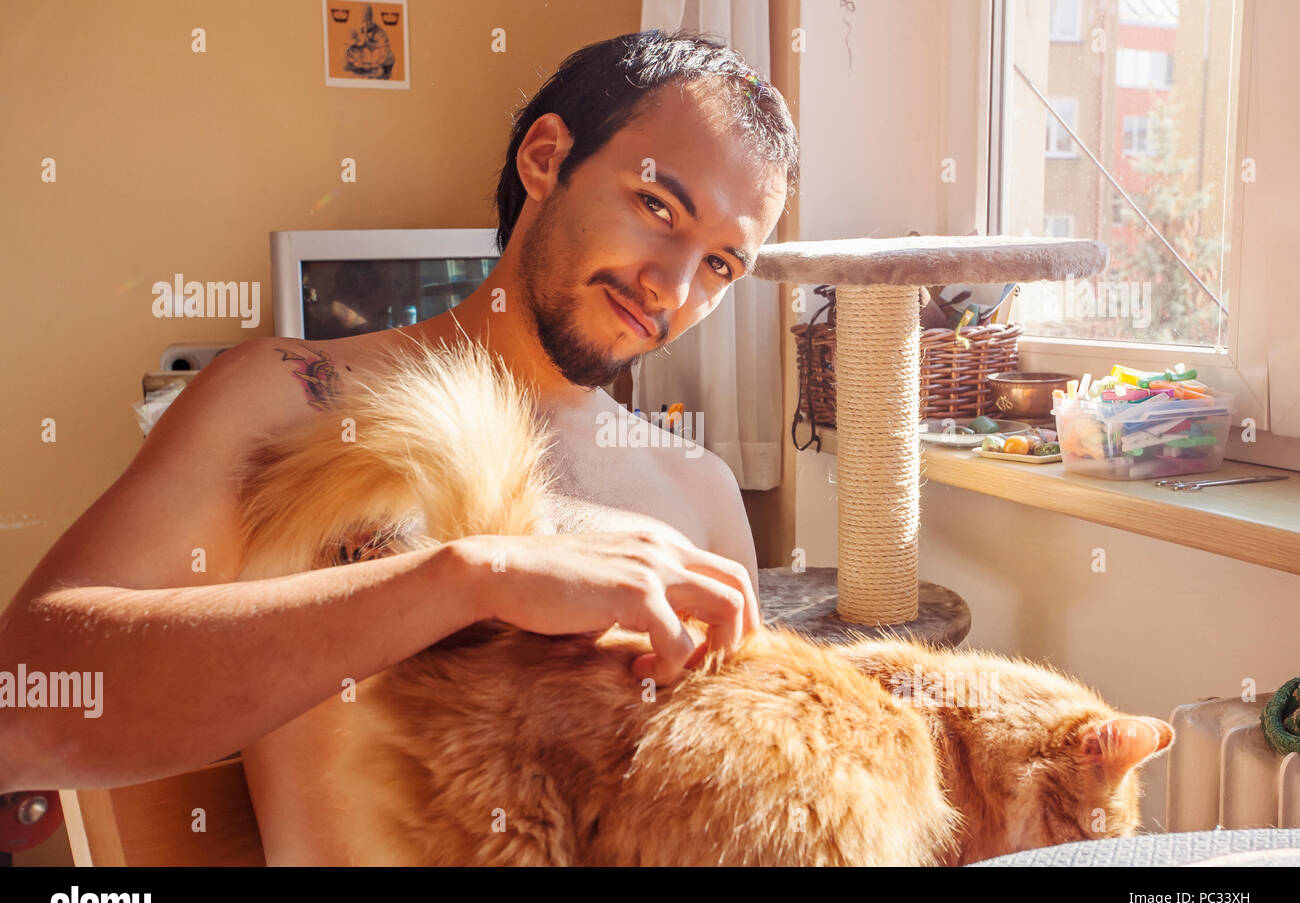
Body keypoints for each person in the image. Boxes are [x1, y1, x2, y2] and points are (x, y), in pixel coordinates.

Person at [0, 29, 799, 809]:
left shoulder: (703, 493)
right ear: (546, 156)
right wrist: (474, 578)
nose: (672, 286)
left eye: (721, 264)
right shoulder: (291, 399)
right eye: (657, 206)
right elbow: (22, 711)